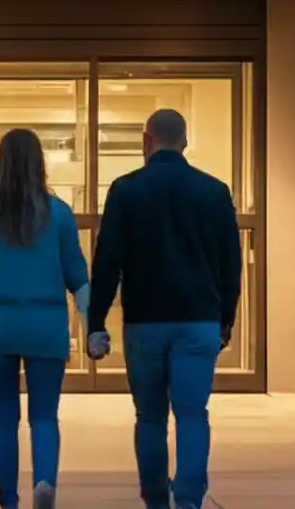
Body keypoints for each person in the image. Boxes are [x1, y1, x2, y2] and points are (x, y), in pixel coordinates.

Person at [87, 108, 242, 509]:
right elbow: (230, 262)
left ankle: (155, 499)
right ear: (185, 142)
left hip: (145, 323)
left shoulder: (125, 190)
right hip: (199, 320)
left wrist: (96, 321)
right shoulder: (214, 191)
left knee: (151, 417)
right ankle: (188, 501)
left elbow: (107, 261)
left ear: (146, 141)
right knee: (193, 414)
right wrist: (227, 317)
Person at [0, 128, 91, 509]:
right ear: (39, 163)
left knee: (5, 417)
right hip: (45, 325)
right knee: (44, 416)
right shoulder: (58, 213)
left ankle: (8, 500)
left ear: (0, 161)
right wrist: (94, 325)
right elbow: (78, 276)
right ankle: (43, 482)